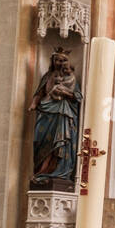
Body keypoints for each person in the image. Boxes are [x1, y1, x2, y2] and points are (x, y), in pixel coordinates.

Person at [28, 48, 83, 187]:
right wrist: (34, 104)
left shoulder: (71, 78)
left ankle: (59, 172)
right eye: (58, 60)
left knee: (62, 140)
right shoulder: (47, 77)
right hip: (46, 112)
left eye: (64, 60)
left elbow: (78, 96)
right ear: (53, 61)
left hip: (63, 113)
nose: (61, 63)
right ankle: (41, 171)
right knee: (40, 141)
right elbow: (39, 93)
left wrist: (64, 93)